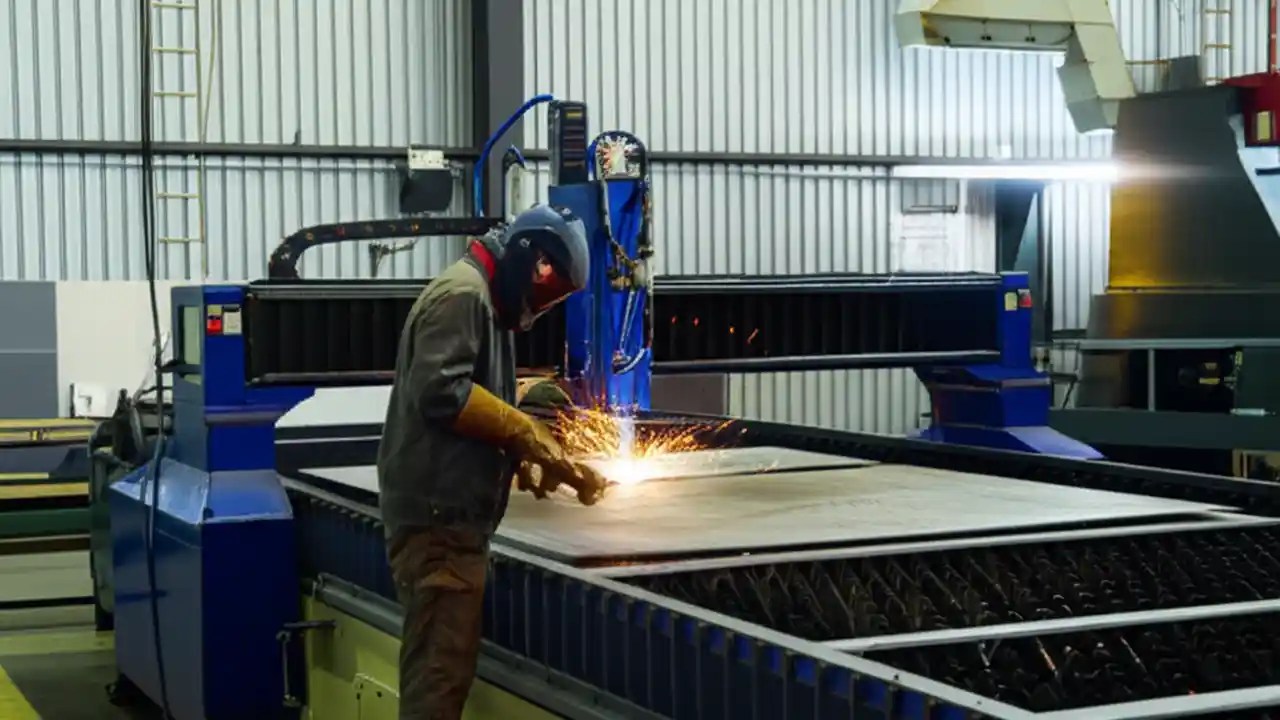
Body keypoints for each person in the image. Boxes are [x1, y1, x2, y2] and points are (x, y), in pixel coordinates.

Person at [376, 204, 609, 719]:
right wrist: (524, 432)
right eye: (547, 288)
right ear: (530, 258)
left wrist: (518, 455)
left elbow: (476, 402)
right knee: (436, 686)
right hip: (439, 530)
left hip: (451, 527)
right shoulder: (464, 296)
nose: (542, 304)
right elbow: (441, 391)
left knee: (442, 674)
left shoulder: (489, 304)